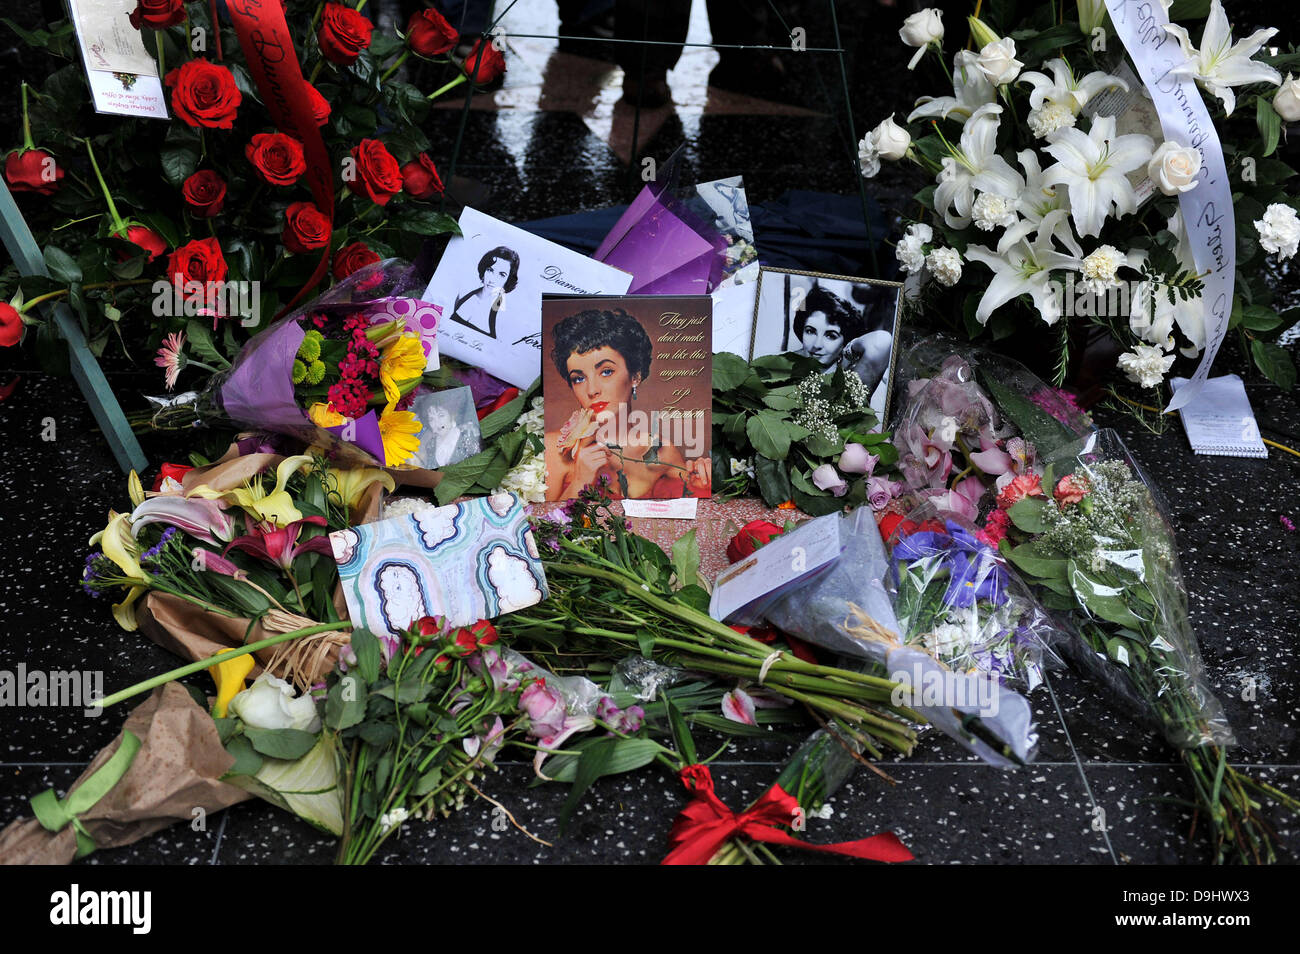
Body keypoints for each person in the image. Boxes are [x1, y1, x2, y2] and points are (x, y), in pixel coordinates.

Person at [545, 307, 711, 500]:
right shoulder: (555, 449)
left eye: (606, 371)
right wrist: (580, 481)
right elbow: (545, 525)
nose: (592, 390)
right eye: (579, 379)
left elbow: (693, 507)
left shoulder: (662, 451)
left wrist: (702, 477)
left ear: (635, 376)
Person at [451, 246, 520, 338]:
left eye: (502, 275)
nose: (492, 279)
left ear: (508, 280)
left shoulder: (503, 313)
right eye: (490, 270)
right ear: (484, 271)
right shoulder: (462, 294)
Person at [793, 284, 866, 369]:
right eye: (810, 331)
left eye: (831, 336)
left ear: (845, 343)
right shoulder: (779, 366)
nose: (817, 345)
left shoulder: (852, 376)